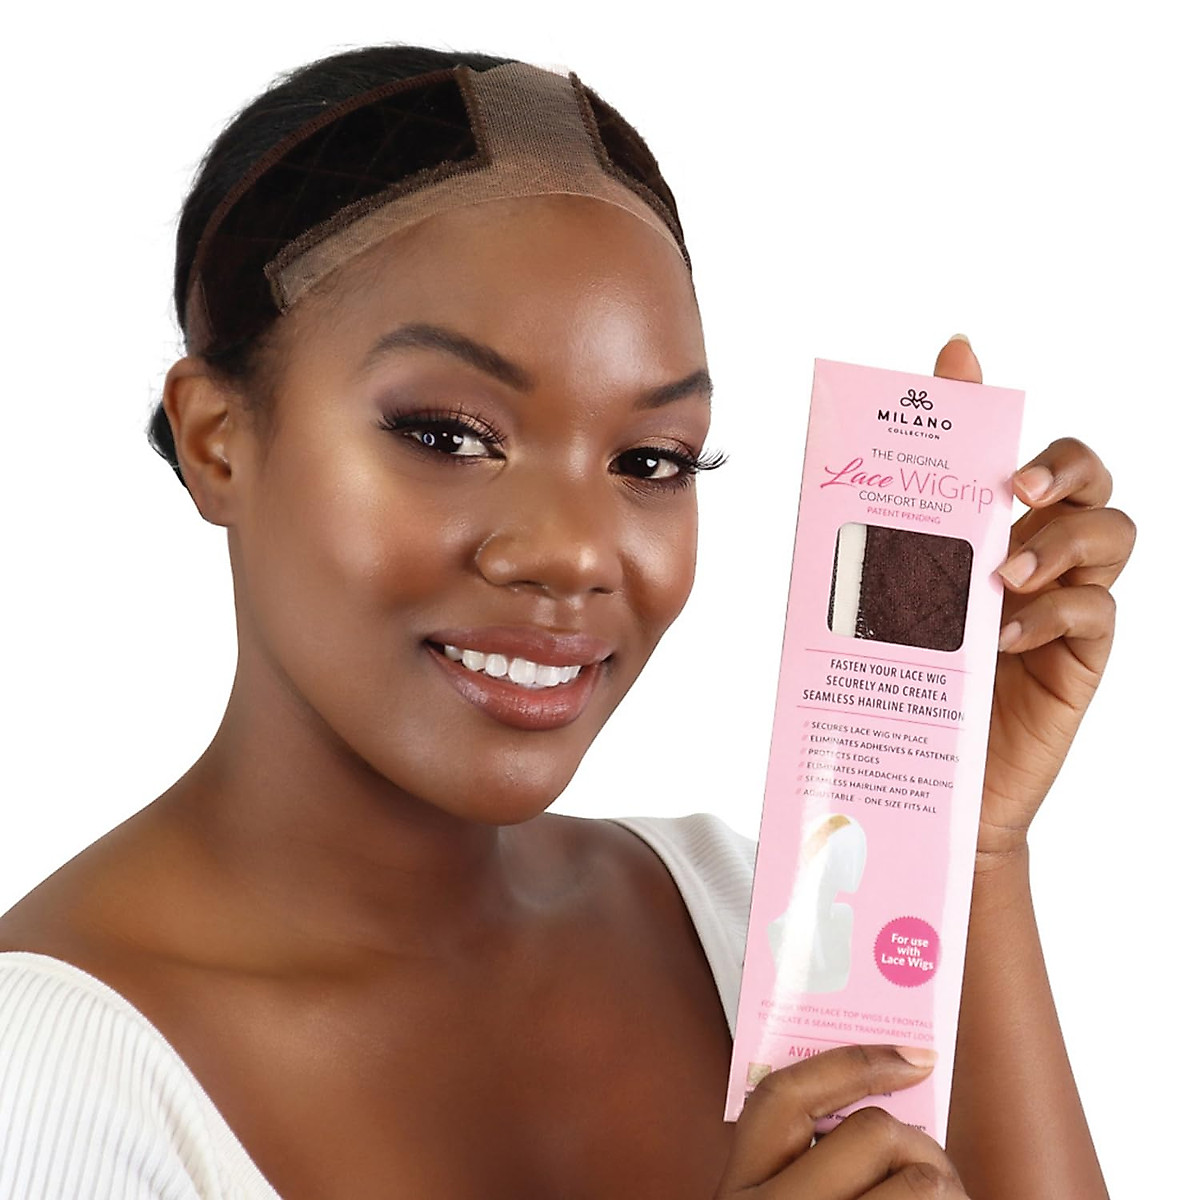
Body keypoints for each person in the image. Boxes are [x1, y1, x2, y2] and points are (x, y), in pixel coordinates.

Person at [0, 43, 1132, 1200]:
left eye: (651, 459)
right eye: (446, 435)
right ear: (217, 439)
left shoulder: (744, 925)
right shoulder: (44, 1076)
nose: (577, 551)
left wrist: (966, 855)